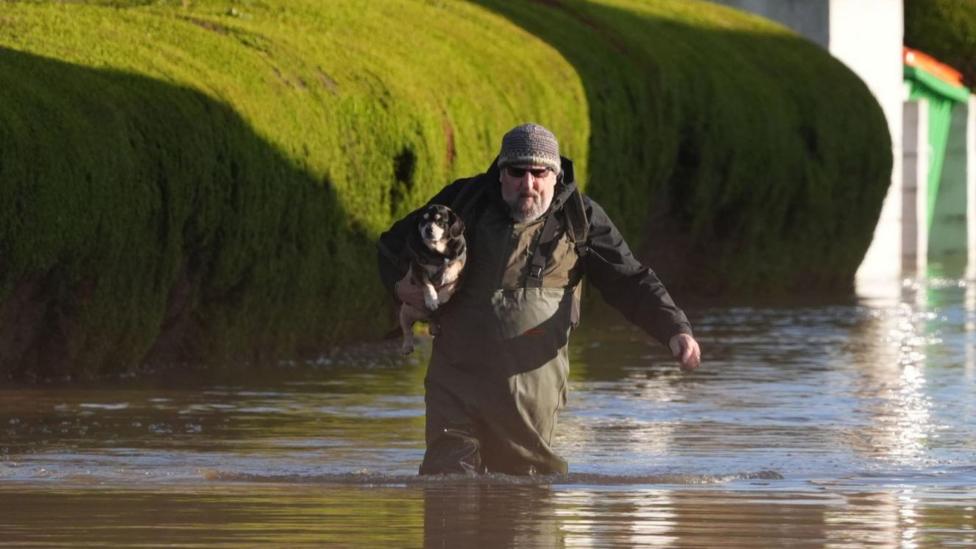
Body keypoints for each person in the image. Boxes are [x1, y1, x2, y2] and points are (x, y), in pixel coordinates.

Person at [378, 123, 701, 475]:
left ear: (555, 175)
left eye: (539, 173)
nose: (528, 184)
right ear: (501, 173)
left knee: (523, 496)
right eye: (517, 172)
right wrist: (400, 286)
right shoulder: (464, 200)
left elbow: (630, 280)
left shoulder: (581, 219)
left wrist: (675, 329)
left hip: (530, 395)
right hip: (455, 381)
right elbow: (392, 245)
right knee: (447, 484)